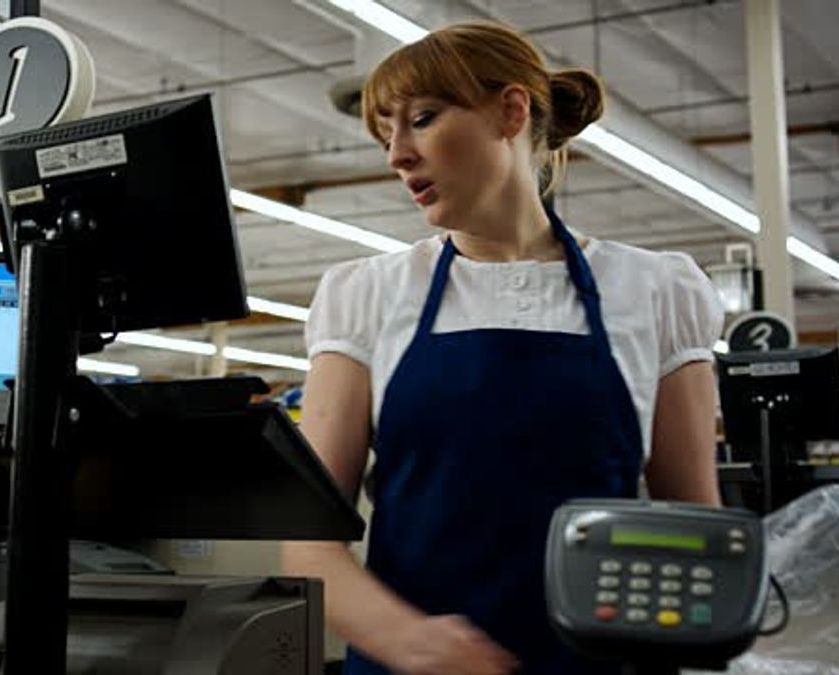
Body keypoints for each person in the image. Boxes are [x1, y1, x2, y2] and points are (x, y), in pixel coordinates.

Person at [281, 20, 726, 675]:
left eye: (422, 119)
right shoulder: (367, 295)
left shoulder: (655, 289)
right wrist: (409, 641)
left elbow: (694, 529)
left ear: (511, 112)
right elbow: (307, 547)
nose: (397, 154)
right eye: (385, 134)